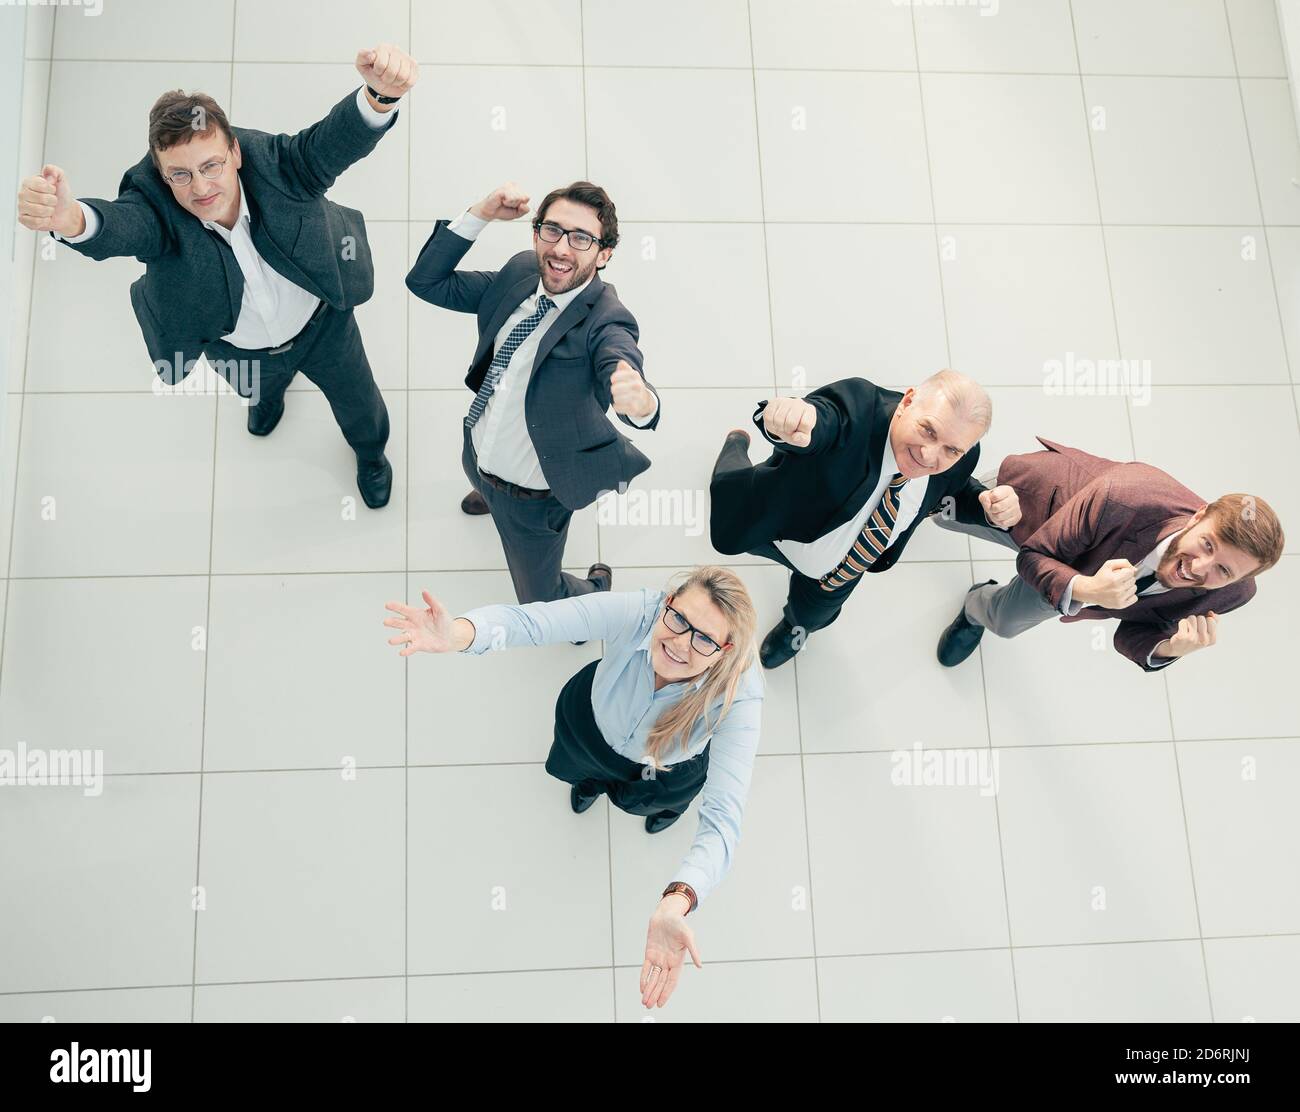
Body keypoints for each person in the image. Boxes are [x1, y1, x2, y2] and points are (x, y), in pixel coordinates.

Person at [15, 44, 418, 509]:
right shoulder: (155, 205)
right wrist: (69, 219)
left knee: (359, 402)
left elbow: (333, 140)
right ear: (164, 177)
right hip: (234, 344)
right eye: (181, 175)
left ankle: (369, 455)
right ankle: (268, 398)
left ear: (236, 153)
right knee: (256, 387)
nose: (201, 188)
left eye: (211, 166)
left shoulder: (281, 165)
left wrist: (378, 97)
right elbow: (121, 226)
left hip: (323, 325)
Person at [382, 566, 762, 1008]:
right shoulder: (640, 611)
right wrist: (460, 634)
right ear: (668, 603)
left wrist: (678, 898)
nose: (680, 643)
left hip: (665, 771)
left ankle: (660, 812)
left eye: (704, 639)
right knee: (580, 774)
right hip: (590, 730)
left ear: (725, 649)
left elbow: (722, 822)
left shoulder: (741, 693)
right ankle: (591, 786)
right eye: (678, 619)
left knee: (655, 805)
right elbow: (536, 622)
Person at [405, 180, 660, 603]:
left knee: (538, 597)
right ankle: (486, 493)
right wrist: (480, 213)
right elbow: (426, 282)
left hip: (532, 495)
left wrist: (640, 401)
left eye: (581, 238)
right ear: (536, 231)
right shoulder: (521, 271)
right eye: (553, 230)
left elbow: (620, 357)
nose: (561, 248)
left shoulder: (607, 321)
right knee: (475, 471)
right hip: (478, 445)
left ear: (605, 254)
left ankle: (591, 593)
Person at [709, 370, 1019, 668]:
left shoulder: (961, 456)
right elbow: (823, 420)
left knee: (811, 616)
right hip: (777, 528)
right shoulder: (859, 407)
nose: (928, 455)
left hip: (839, 572)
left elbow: (955, 492)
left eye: (951, 450)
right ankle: (735, 445)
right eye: (928, 430)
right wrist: (790, 419)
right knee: (731, 487)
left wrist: (985, 507)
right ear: (907, 402)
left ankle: (796, 628)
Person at [933, 438, 1285, 670]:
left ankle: (975, 608)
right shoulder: (1127, 493)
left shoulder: (1235, 592)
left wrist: (1170, 648)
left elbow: (1136, 631)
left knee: (1006, 623)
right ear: (1198, 516)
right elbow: (1033, 553)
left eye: (1223, 570)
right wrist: (1090, 590)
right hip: (1042, 505)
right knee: (939, 513)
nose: (1198, 567)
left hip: (1075, 577)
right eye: (1207, 544)